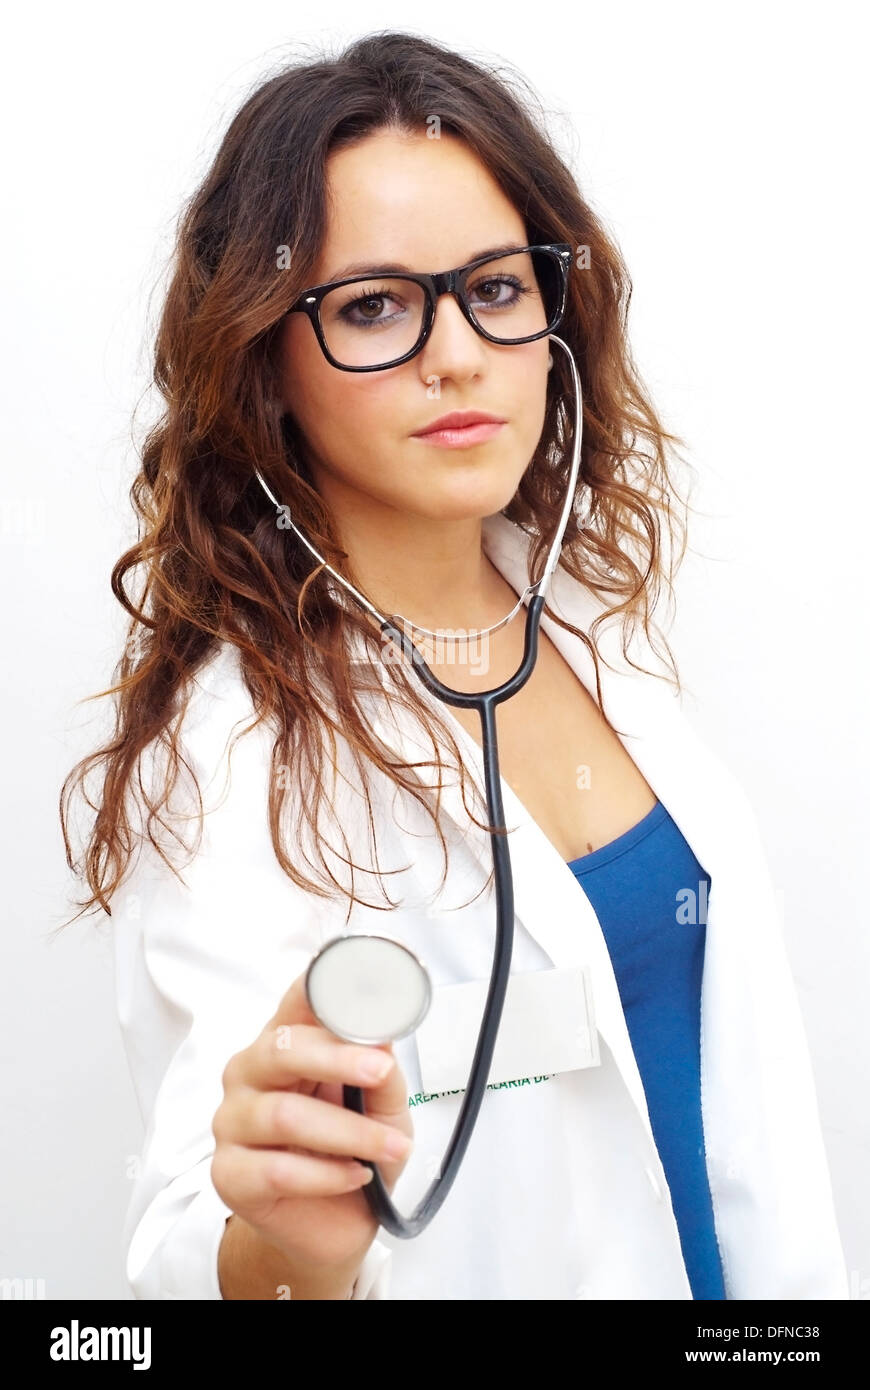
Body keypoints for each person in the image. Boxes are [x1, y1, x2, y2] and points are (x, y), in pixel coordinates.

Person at [61, 32, 847, 1301]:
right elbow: (188, 1243)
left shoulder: (597, 616)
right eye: (372, 305)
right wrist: (279, 1243)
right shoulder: (228, 757)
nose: (456, 352)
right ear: (266, 360)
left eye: (495, 285)